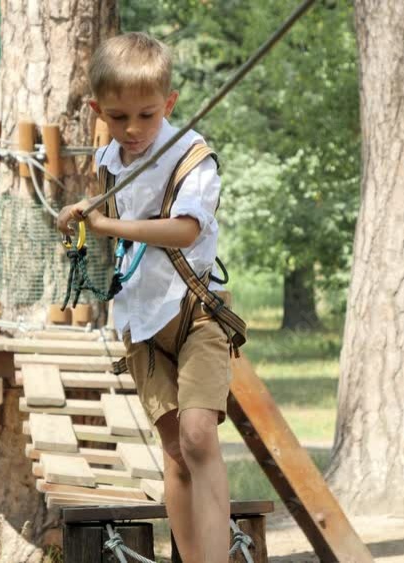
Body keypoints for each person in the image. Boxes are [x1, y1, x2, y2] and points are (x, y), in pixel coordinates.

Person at [57, 32, 233, 563]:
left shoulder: (193, 155)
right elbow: (125, 194)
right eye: (118, 116)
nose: (132, 129)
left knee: (200, 435)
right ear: (97, 111)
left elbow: (183, 230)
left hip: (196, 312)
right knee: (176, 450)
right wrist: (87, 208)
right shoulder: (111, 158)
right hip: (140, 318)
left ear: (169, 104)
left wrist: (107, 222)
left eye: (146, 116)